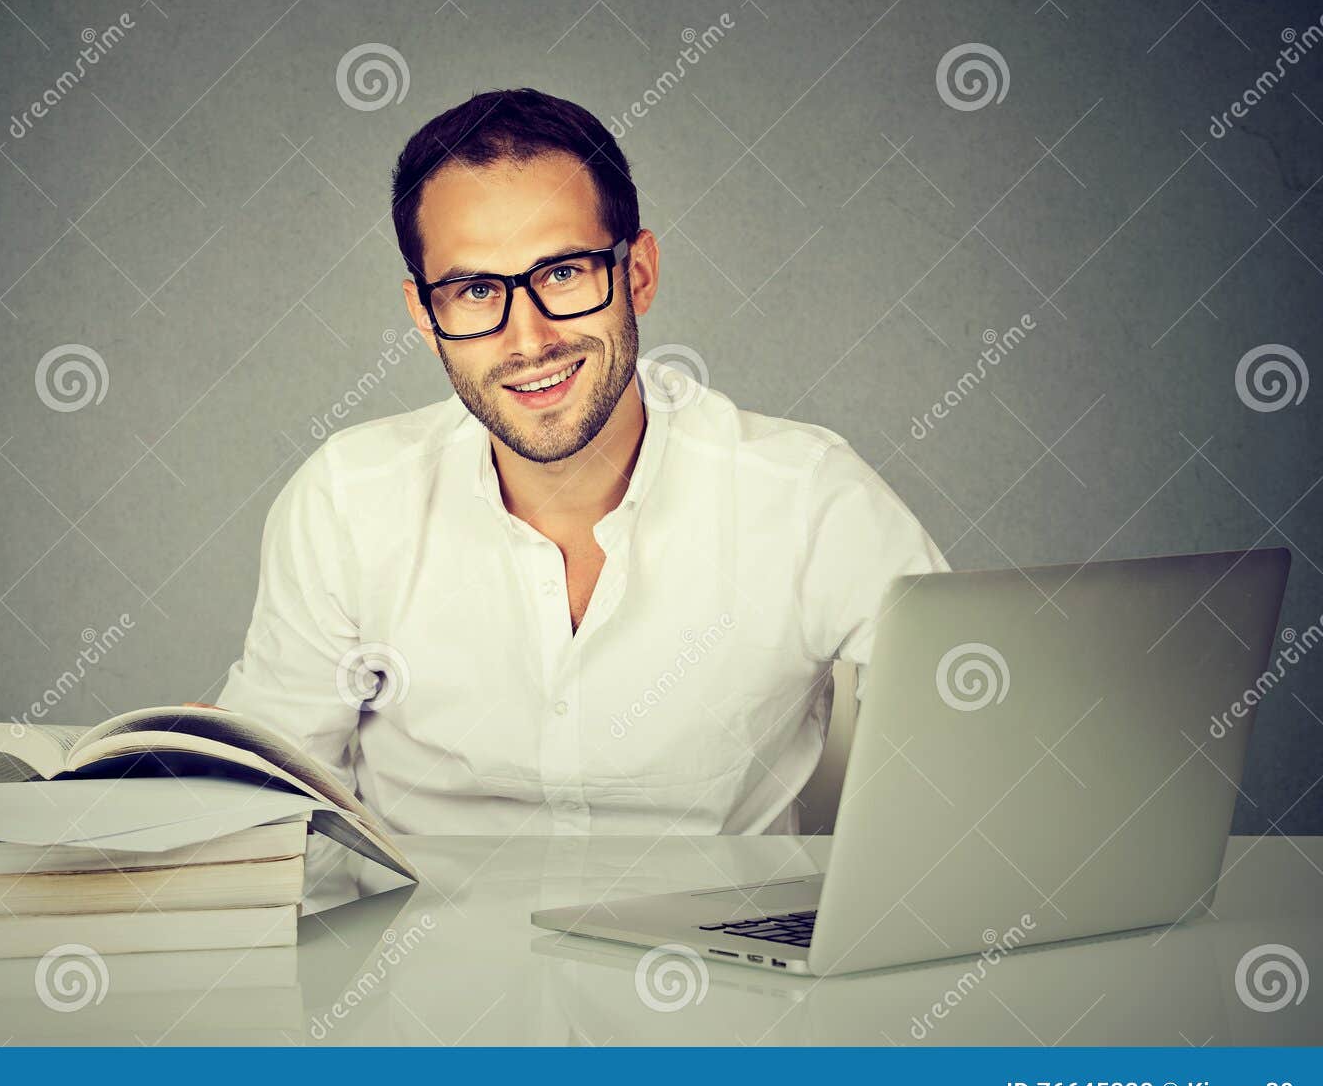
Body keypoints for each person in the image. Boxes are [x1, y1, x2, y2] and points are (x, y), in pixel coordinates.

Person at [214, 88, 947, 835]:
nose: (528, 340)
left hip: (711, 950)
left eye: (563, 273)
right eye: (474, 291)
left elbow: (984, 750)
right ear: (426, 318)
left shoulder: (807, 498)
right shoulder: (346, 501)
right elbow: (266, 810)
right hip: (421, 945)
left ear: (638, 274)